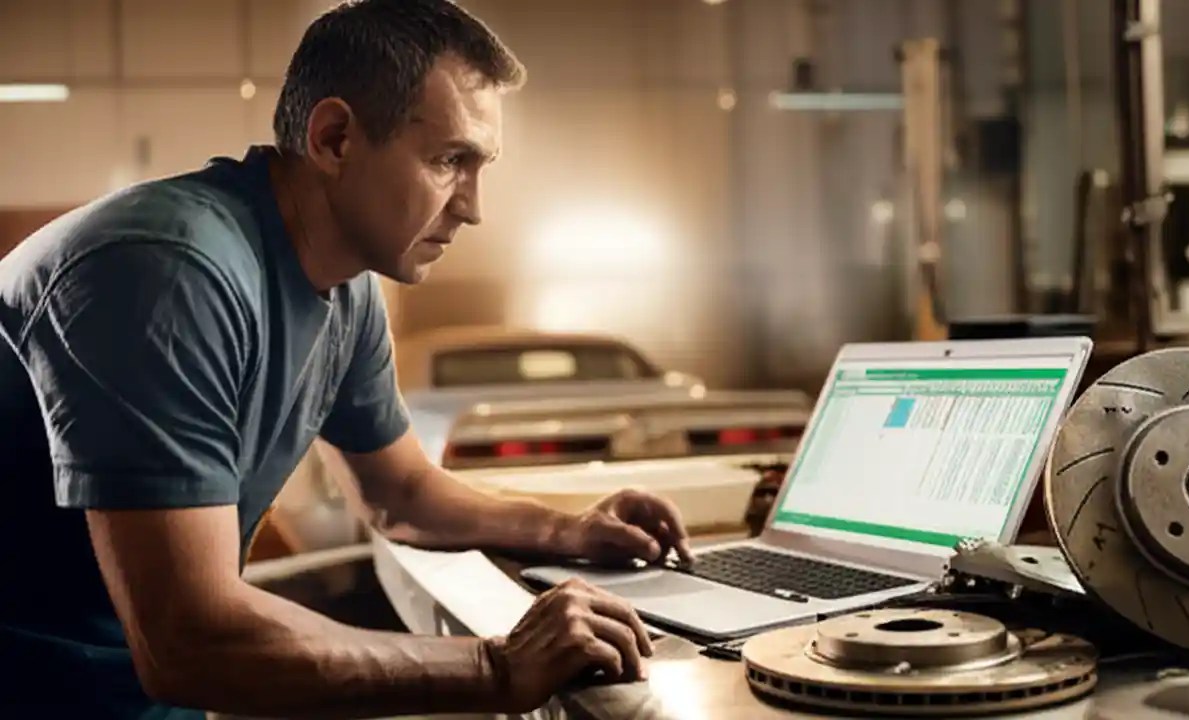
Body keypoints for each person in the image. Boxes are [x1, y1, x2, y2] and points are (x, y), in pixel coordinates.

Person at [0, 1, 692, 716]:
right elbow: (189, 640)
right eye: (450, 160)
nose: (474, 207)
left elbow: (400, 492)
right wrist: (496, 666)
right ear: (334, 138)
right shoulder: (168, 274)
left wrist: (571, 528)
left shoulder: (346, 288)